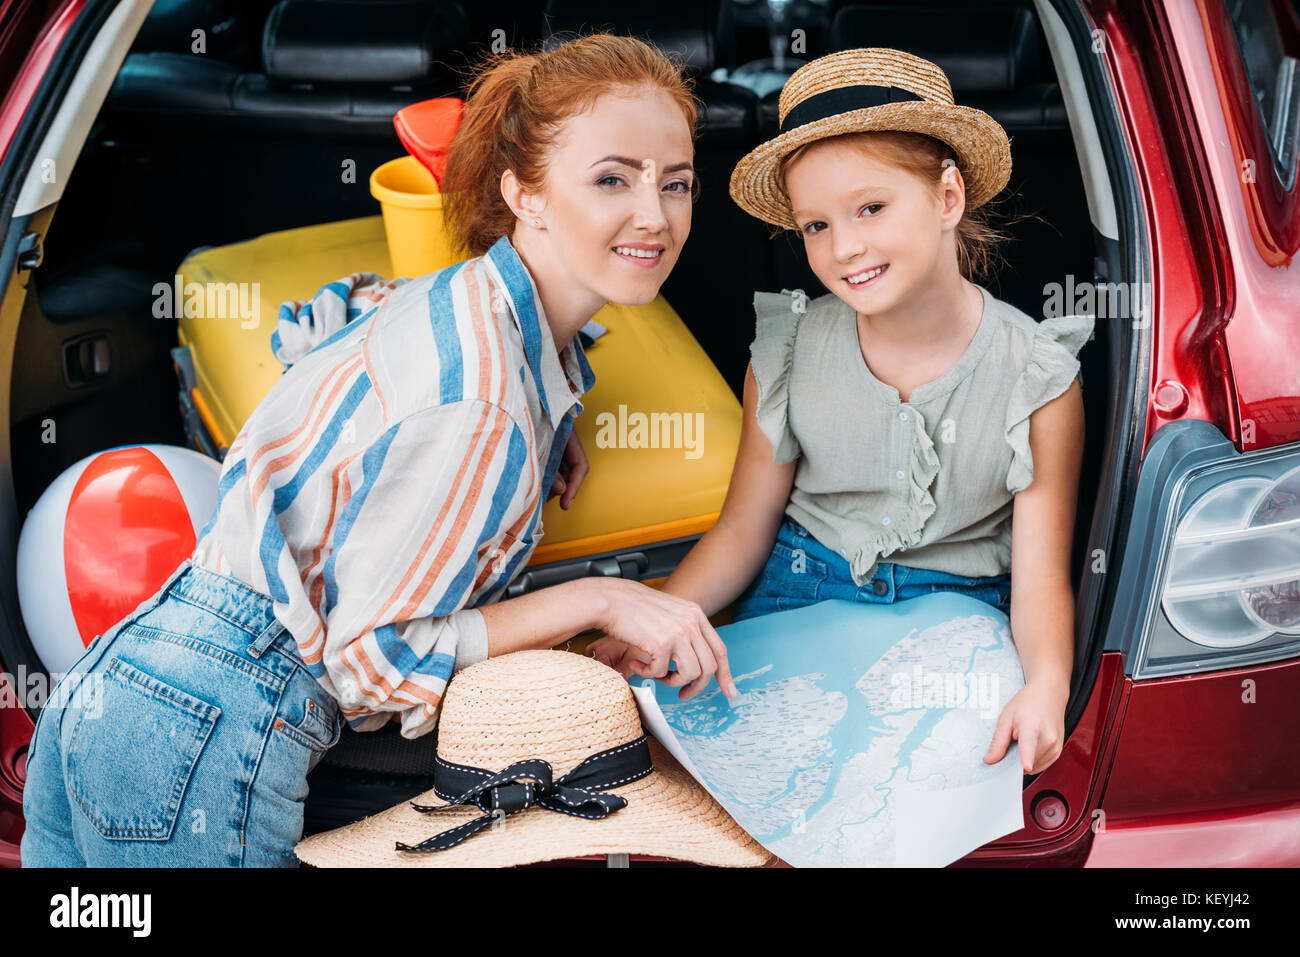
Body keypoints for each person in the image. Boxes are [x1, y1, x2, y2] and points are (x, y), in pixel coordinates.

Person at [20, 33, 735, 868]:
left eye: (676, 182)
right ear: (525, 193)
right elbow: (369, 665)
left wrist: (551, 424)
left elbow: (320, 319)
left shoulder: (454, 297)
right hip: (216, 730)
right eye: (613, 178)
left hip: (123, 682)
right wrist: (602, 601)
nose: (655, 214)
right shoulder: (486, 401)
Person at [590, 48, 1095, 780]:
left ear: (948, 198)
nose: (844, 247)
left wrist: (1047, 684)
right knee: (754, 776)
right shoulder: (789, 350)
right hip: (802, 588)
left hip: (956, 613)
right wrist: (659, 621)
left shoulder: (1038, 378)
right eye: (817, 226)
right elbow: (742, 529)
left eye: (870, 208)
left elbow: (1042, 578)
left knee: (918, 784)